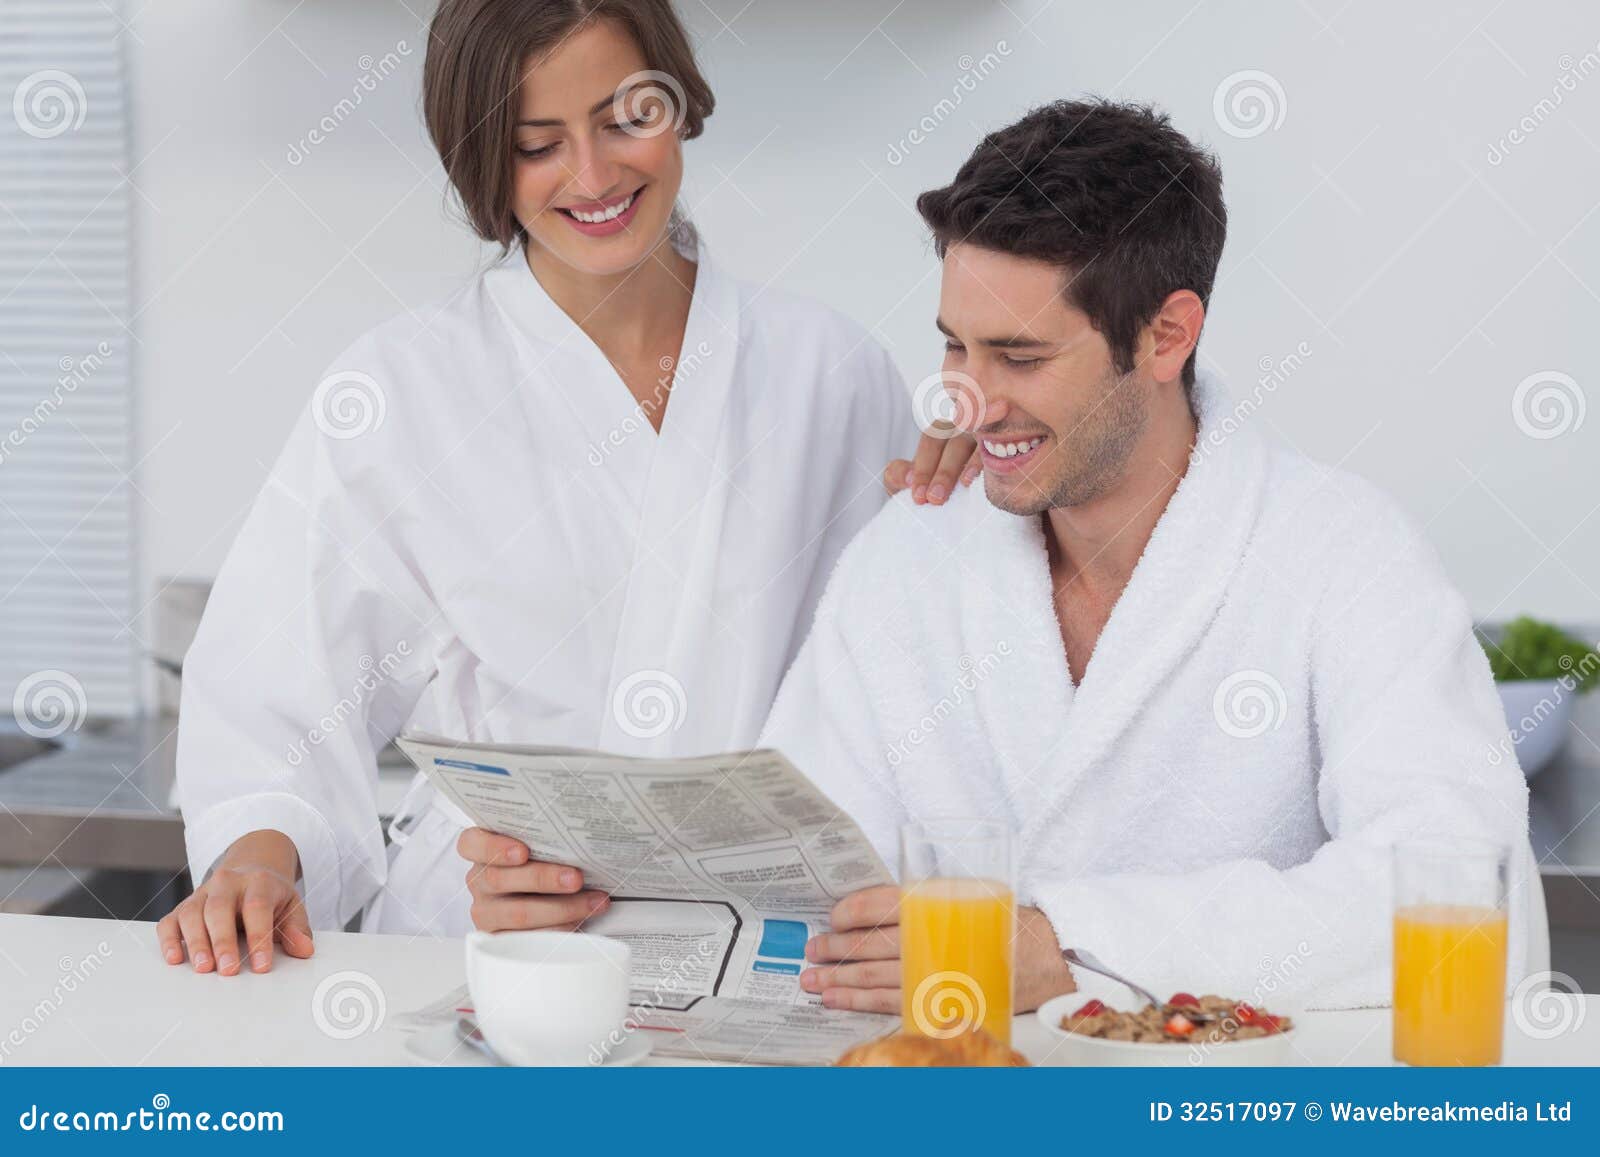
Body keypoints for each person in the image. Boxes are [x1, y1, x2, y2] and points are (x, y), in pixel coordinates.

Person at [158, 0, 974, 975]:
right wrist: (257, 865)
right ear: (482, 163)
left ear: (679, 102)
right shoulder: (398, 391)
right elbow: (277, 696)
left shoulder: (828, 373)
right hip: (487, 944)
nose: (593, 176)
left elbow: (911, 691)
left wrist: (991, 496)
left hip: (764, 959)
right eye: (536, 145)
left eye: (628, 118)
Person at [764, 100, 1550, 1012]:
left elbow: (1458, 889)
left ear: (1167, 335)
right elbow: (795, 877)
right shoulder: (906, 558)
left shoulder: (1345, 556)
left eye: (1020, 356)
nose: (967, 402)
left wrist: (1070, 950)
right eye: (955, 346)